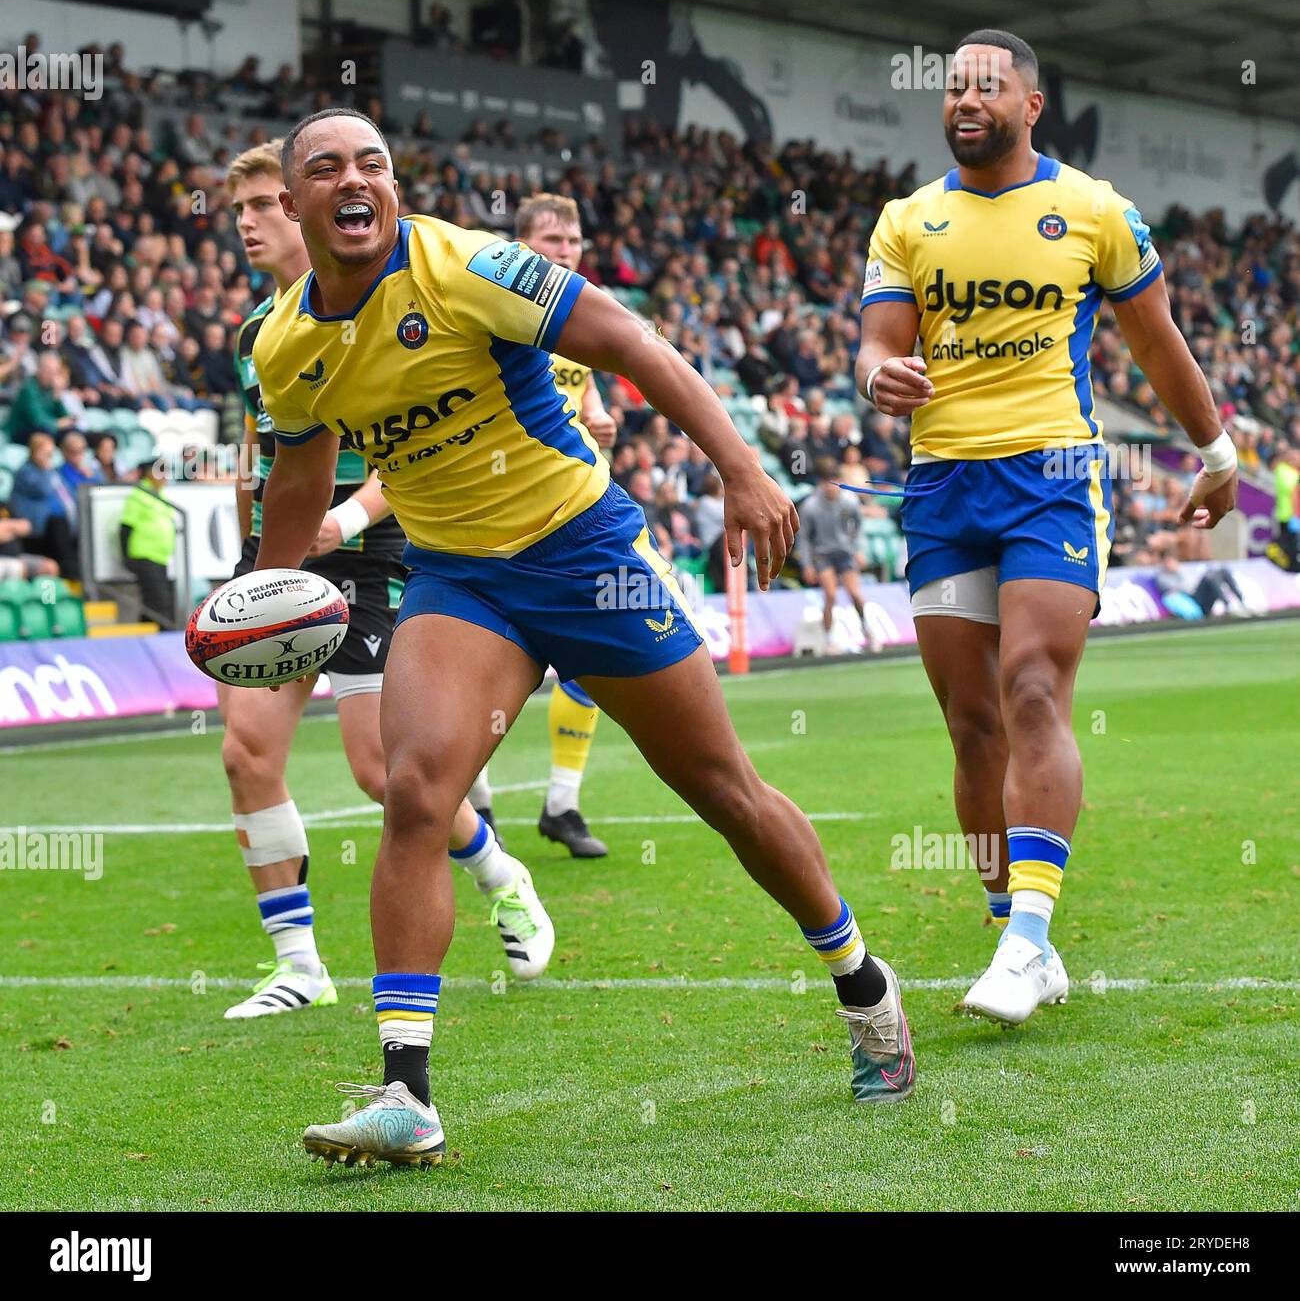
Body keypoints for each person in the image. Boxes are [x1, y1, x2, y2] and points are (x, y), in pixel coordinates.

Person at [255, 108, 914, 1167]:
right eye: (324, 168)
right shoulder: (284, 344)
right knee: (416, 789)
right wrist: (266, 590)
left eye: (371, 162)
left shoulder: (466, 265)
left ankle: (863, 982)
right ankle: (404, 1090)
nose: (353, 179)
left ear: (392, 183)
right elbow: (298, 475)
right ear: (294, 203)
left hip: (583, 551)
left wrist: (740, 467)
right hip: (460, 578)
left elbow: (630, 340)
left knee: (720, 788)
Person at [856, 29, 1236, 1025]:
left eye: (986, 85)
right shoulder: (906, 220)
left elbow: (1155, 341)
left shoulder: (1093, 210)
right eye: (950, 87)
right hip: (940, 488)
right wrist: (875, 375)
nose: (963, 99)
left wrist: (1217, 451)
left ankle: (1028, 936)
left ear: (1031, 104)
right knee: (970, 721)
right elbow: (876, 344)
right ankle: (1008, 919)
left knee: (1031, 684)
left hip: (1052, 476)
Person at [216, 141, 553, 1022]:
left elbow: (412, 447)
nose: (246, 222)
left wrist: (349, 519)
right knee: (246, 753)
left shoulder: (402, 292)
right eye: (238, 210)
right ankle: (299, 964)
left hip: (371, 554)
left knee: (380, 770)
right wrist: (258, 552)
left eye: (257, 204)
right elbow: (273, 460)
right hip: (283, 557)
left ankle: (499, 872)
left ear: (294, 207)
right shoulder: (259, 335)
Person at [469, 193, 618, 859]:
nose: (567, 251)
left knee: (588, 664)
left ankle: (563, 804)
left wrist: (600, 417)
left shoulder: (577, 317)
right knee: (472, 674)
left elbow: (587, 399)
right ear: (520, 247)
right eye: (553, 240)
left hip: (571, 513)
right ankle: (479, 810)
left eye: (575, 240)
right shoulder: (490, 312)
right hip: (490, 516)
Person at [798, 458, 878, 652]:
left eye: (834, 482)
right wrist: (807, 565)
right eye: (827, 482)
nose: (831, 488)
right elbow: (805, 538)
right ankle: (829, 639)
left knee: (856, 595)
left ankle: (867, 629)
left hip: (845, 552)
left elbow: (858, 526)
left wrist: (858, 548)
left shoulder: (849, 502)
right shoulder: (810, 506)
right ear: (820, 483)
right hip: (823, 554)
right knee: (831, 595)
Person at [10, 432, 79, 579]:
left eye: (51, 454)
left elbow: (71, 492)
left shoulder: (52, 472)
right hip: (36, 529)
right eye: (45, 453)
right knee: (58, 525)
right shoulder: (26, 471)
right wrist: (47, 469)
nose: (49, 458)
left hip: (61, 526)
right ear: (34, 452)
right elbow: (43, 489)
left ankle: (73, 578)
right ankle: (71, 577)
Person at [118, 459, 177, 625]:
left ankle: (146, 639)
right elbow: (126, 527)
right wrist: (126, 556)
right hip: (144, 554)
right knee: (159, 602)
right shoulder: (140, 494)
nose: (164, 476)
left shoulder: (159, 494)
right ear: (149, 473)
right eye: (160, 471)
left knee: (153, 602)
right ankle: (160, 639)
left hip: (159, 556)